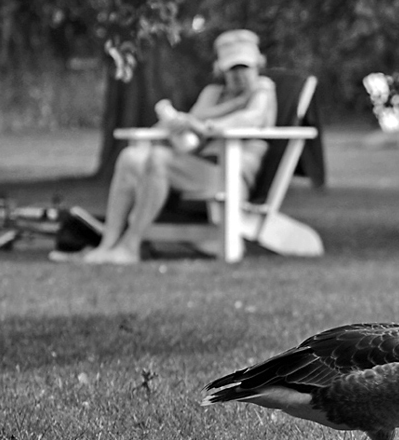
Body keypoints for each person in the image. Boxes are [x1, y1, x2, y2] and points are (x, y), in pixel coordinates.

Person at [51, 29, 277, 265]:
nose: (239, 75)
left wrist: (205, 124)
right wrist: (188, 121)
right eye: (233, 68)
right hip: (196, 168)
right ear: (221, 68)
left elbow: (250, 119)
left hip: (229, 175)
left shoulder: (263, 89)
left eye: (245, 67)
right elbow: (194, 119)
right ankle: (108, 244)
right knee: (130, 157)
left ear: (258, 64)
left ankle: (130, 246)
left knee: (159, 159)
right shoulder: (214, 93)